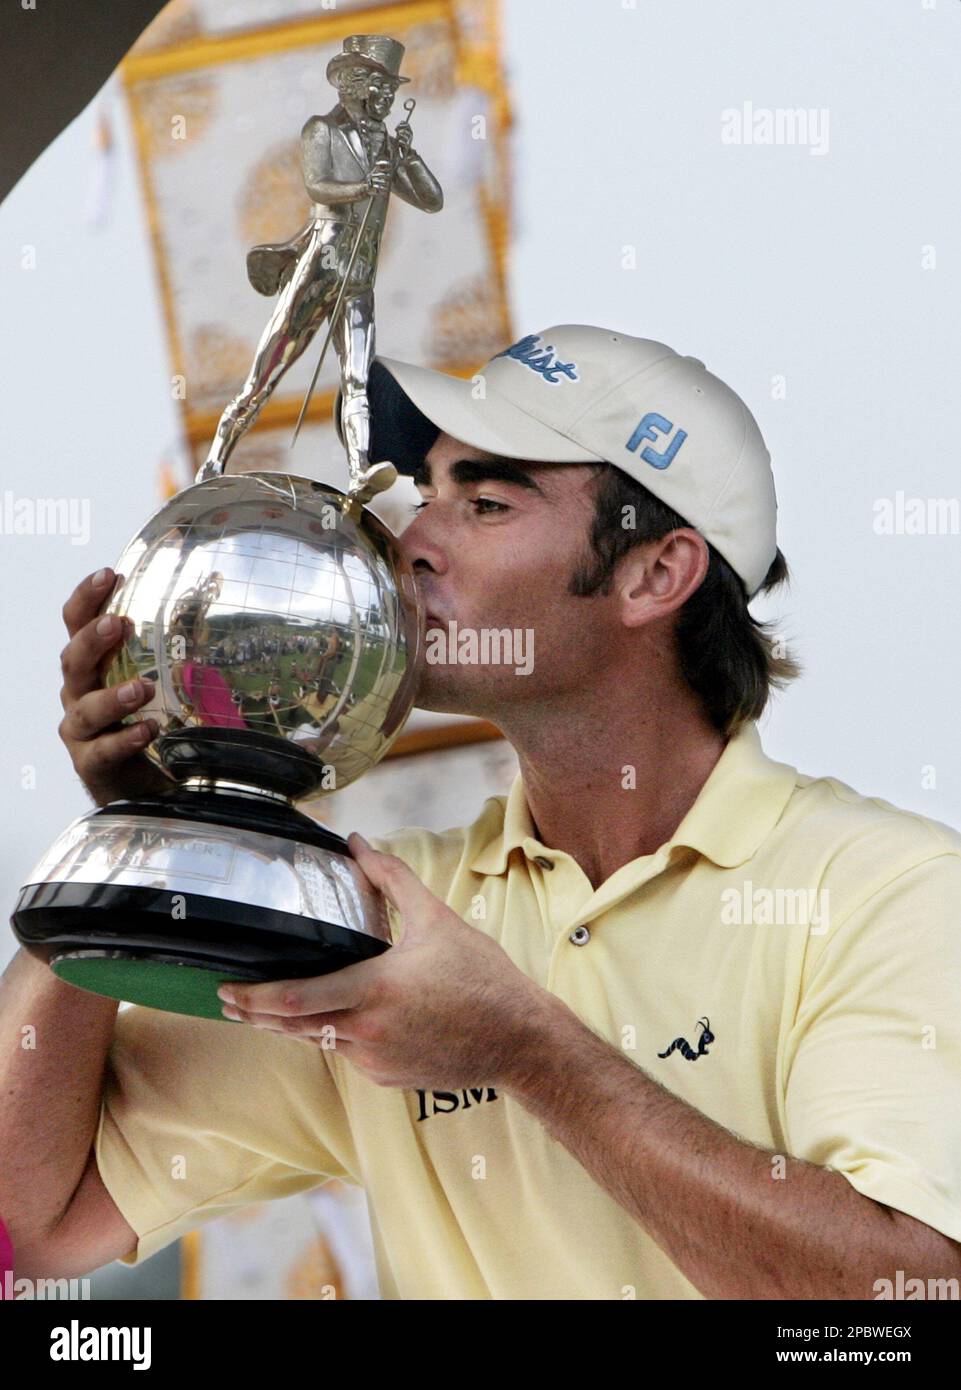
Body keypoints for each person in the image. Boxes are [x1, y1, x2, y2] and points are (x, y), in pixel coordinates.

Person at [3, 325, 961, 1299]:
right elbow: (31, 1221)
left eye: (486, 502)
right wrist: (141, 841)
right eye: (427, 495)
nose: (413, 542)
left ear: (655, 574)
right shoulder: (376, 917)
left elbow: (909, 1293)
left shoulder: (886, 888)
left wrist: (529, 1054)